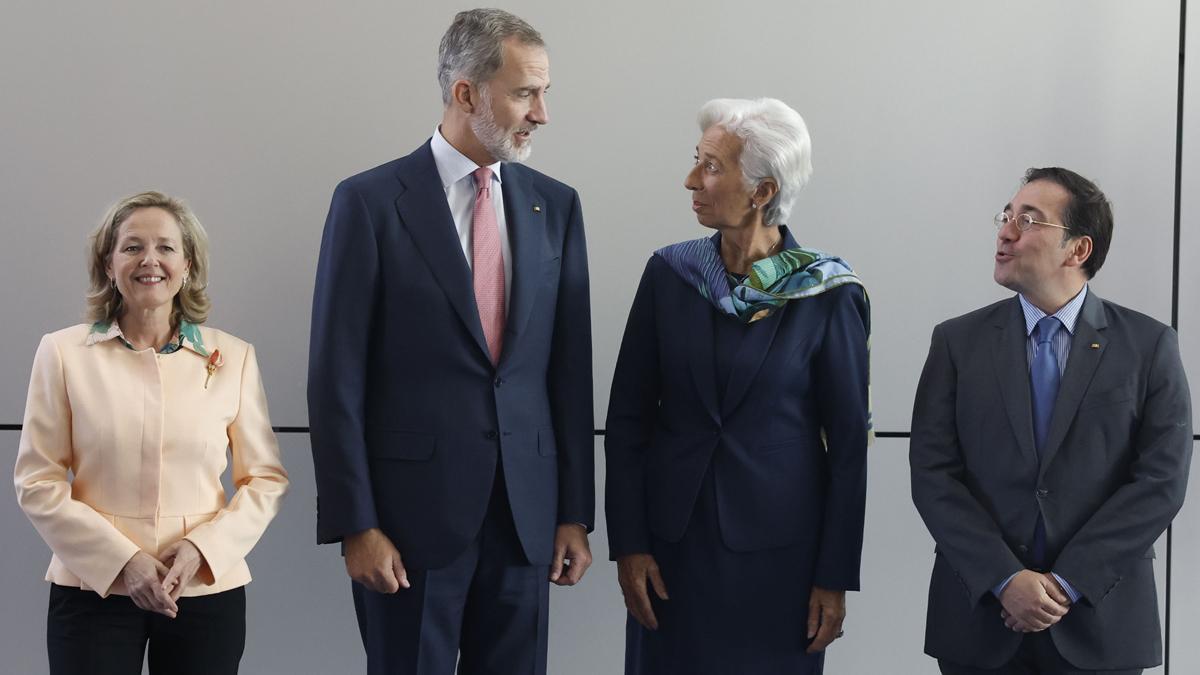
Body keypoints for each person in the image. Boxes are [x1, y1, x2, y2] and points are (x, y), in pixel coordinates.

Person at [307, 8, 594, 675]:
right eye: (526, 92)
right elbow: (335, 378)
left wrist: (574, 512)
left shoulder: (558, 207)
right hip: (407, 528)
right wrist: (357, 524)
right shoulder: (370, 203)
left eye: (544, 93)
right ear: (467, 92)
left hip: (527, 522)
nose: (542, 113)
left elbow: (568, 374)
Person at [604, 97, 870, 674]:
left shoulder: (826, 291)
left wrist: (834, 576)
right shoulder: (669, 273)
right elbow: (627, 420)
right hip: (672, 555)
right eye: (697, 161)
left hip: (783, 565)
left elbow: (848, 448)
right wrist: (628, 545)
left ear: (763, 192)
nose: (691, 181)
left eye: (712, 167)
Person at [910, 167, 1193, 674]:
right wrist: (1004, 578)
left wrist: (1066, 583)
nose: (1006, 230)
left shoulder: (1149, 346)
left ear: (1077, 250)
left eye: (1029, 219)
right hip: (980, 622)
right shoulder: (957, 343)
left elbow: (1161, 483)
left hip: (1100, 622)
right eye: (1007, 215)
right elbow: (933, 476)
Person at [13, 191, 290, 675]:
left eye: (165, 247)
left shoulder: (235, 357)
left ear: (188, 265)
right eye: (132, 247)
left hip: (203, 587)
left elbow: (265, 480)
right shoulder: (62, 353)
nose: (150, 260)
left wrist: (203, 549)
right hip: (93, 587)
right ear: (108, 263)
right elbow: (37, 481)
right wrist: (123, 561)